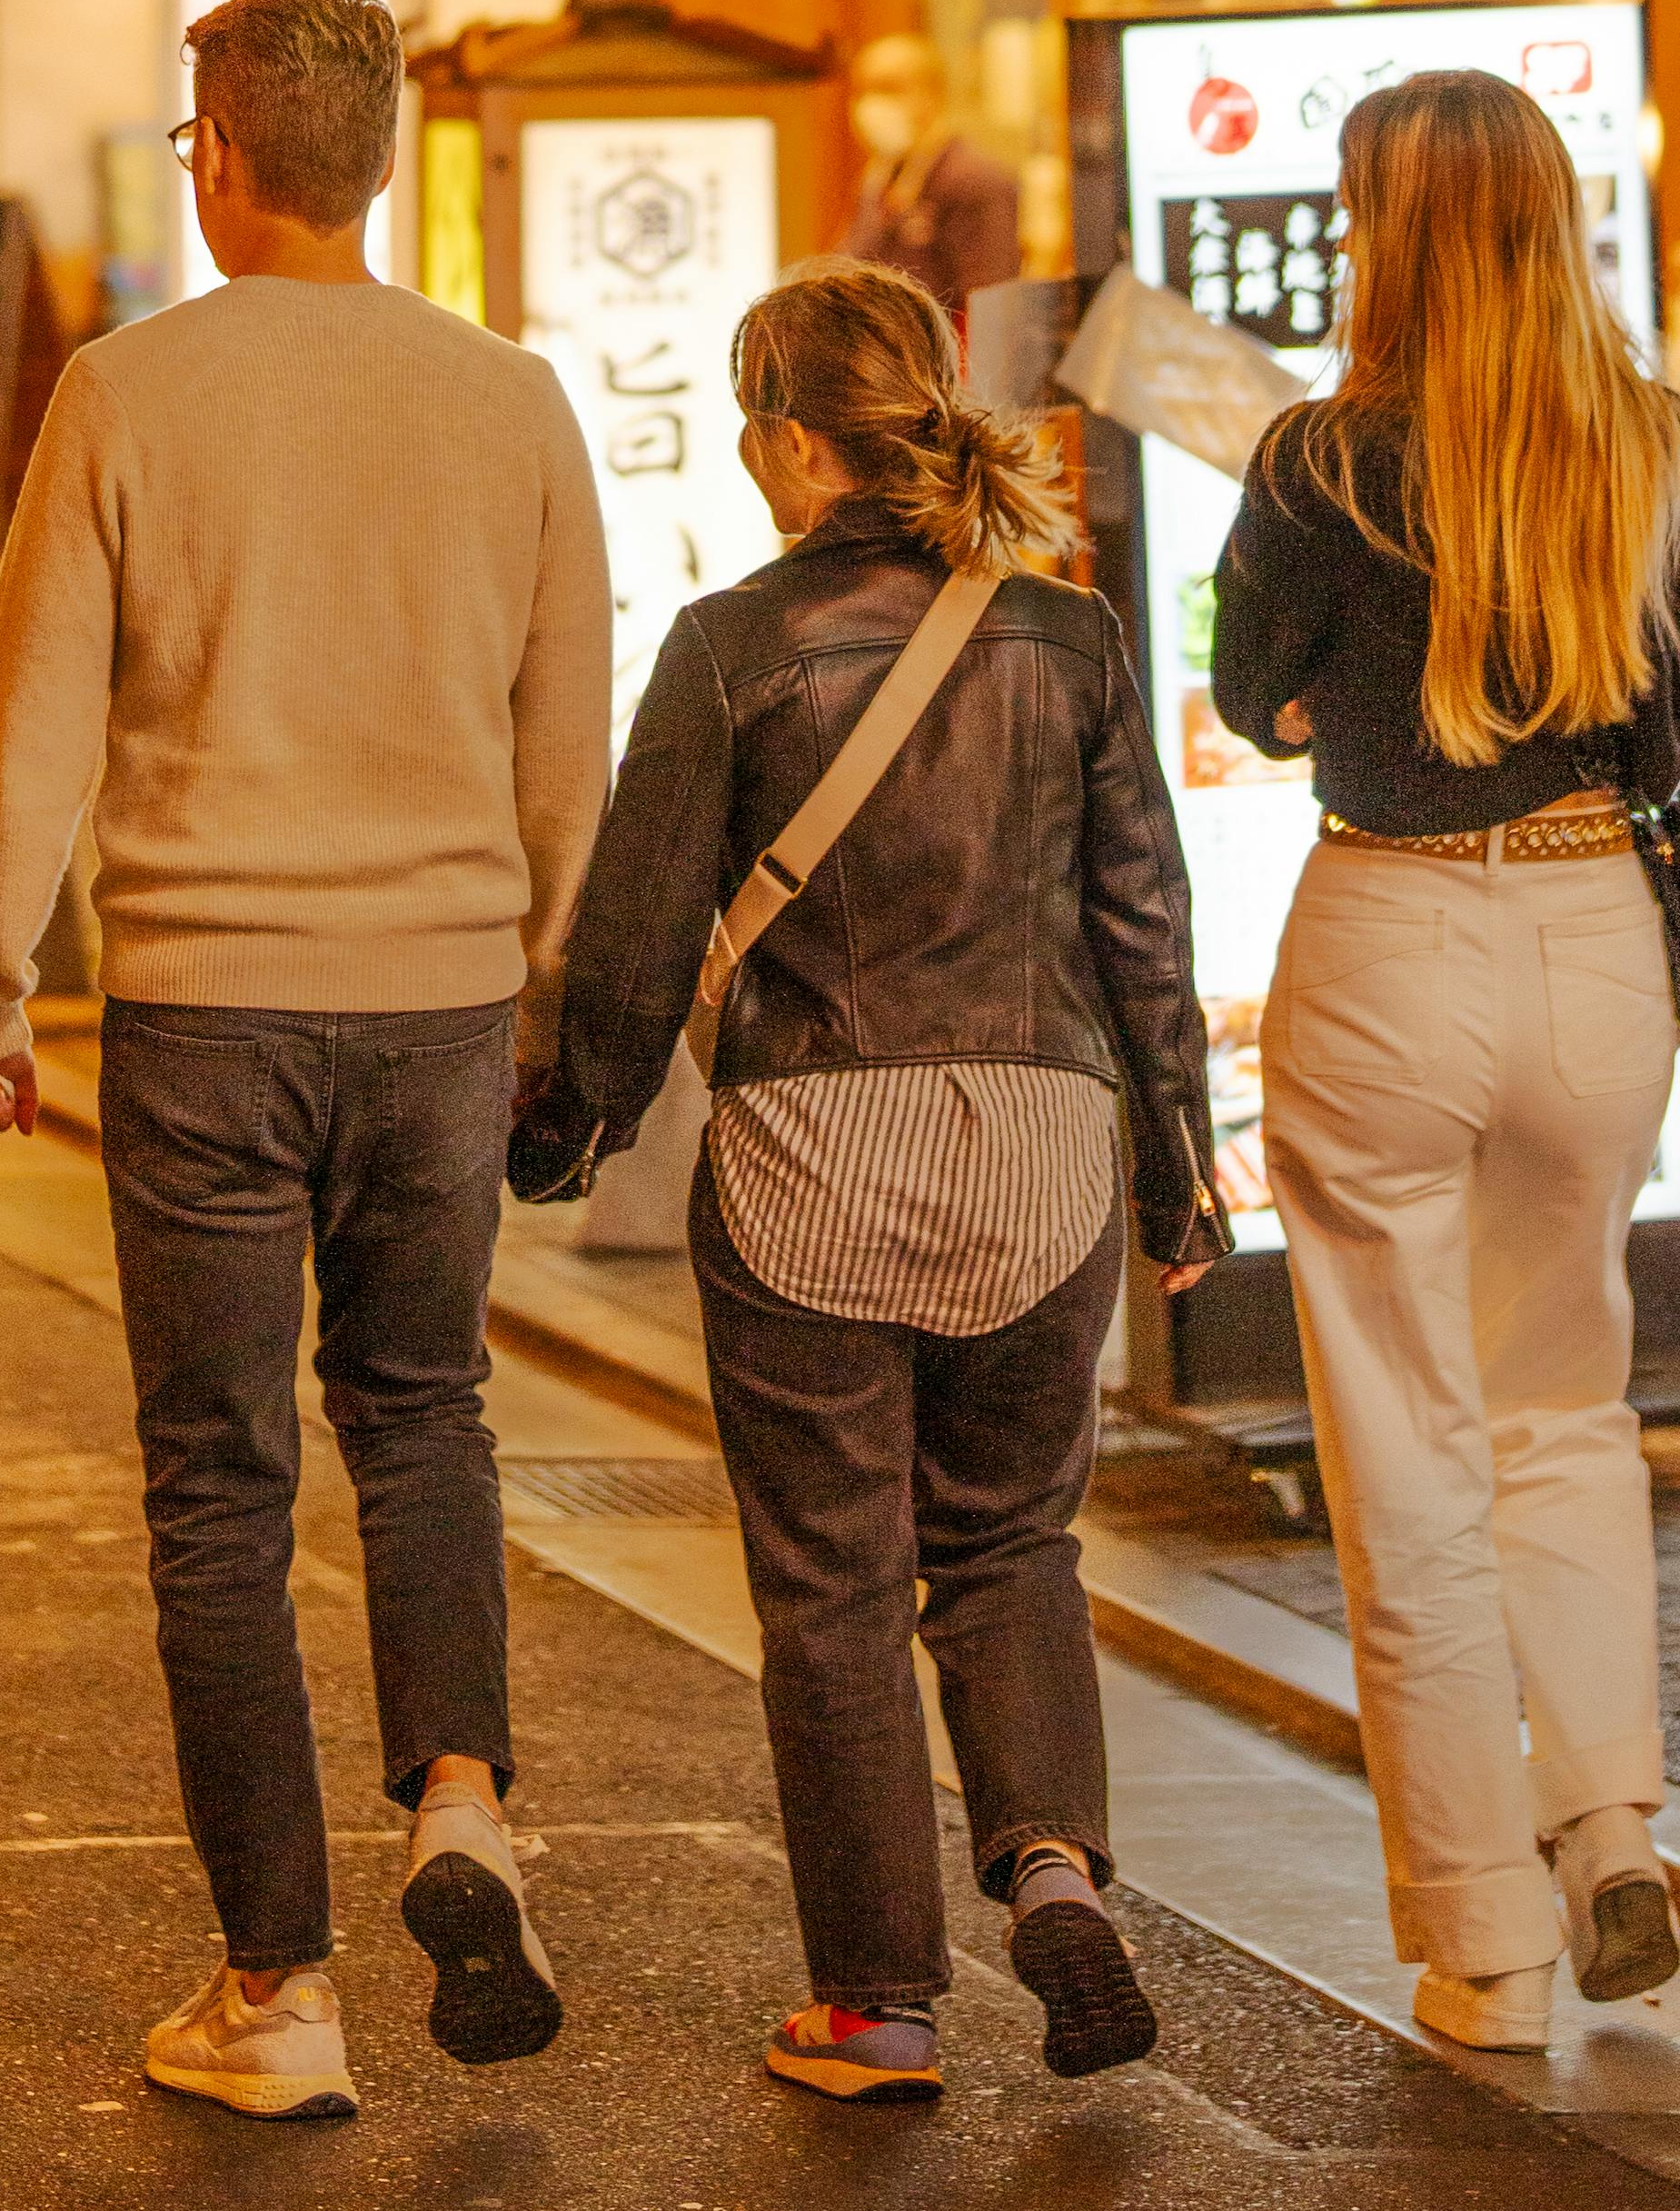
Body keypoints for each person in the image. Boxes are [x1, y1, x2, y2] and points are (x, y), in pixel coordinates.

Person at [0, 0, 611, 2131]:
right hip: (435, 1004)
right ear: (382, 159)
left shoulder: (126, 391)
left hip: (209, 1005)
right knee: (424, 1414)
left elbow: (35, 714)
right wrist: (552, 1002)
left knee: (218, 1488)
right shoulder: (511, 402)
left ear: (217, 156)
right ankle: (467, 1796)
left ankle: (276, 1984)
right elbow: (561, 748)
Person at [516, 258, 1222, 2106]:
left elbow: (637, 933)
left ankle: (879, 2004)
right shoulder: (1068, 632)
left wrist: (561, 1123)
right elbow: (1144, 922)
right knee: (1012, 1542)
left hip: (818, 1147)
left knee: (834, 1581)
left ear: (786, 438)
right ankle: (1053, 1866)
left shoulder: (731, 642)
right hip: (1045, 1144)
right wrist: (1179, 1175)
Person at [1210, 65, 1680, 2056]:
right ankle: (1609, 1825)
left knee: (1405, 1439)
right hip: (1597, 933)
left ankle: (1482, 1934)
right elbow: (1666, 724)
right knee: (1565, 1403)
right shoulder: (1652, 438)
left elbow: (1254, 701)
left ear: (1387, 230)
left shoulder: (1322, 456)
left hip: (1394, 928)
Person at [842, 35, 1021, 325]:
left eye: (888, 88)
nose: (870, 103)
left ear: (931, 94)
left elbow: (990, 301)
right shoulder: (879, 178)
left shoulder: (975, 179)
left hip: (945, 359)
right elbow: (850, 265)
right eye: (862, 90)